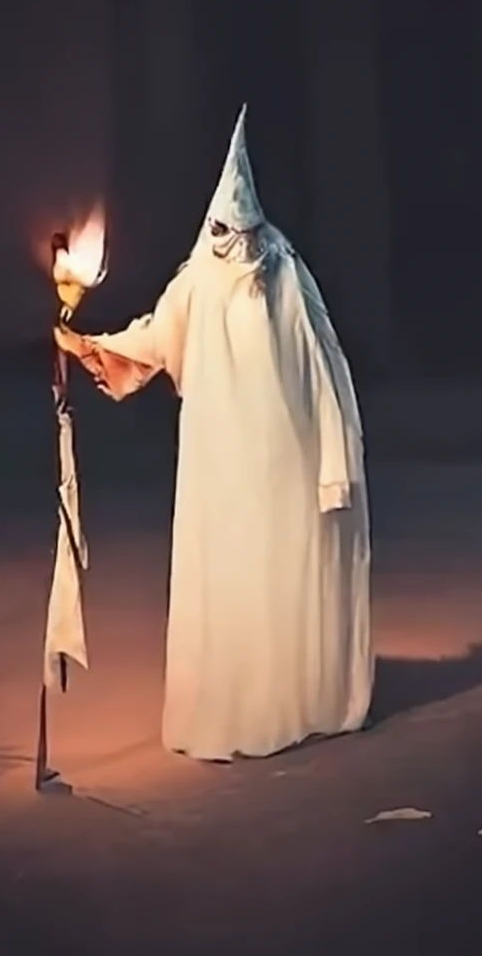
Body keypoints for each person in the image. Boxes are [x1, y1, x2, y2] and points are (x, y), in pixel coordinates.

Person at [55, 104, 372, 760]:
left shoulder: (284, 269)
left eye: (245, 235)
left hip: (284, 455)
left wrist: (333, 465)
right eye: (226, 233)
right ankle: (236, 707)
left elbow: (324, 365)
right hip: (220, 459)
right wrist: (88, 347)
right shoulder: (200, 276)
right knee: (230, 575)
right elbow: (157, 333)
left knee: (278, 572)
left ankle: (291, 697)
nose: (238, 249)